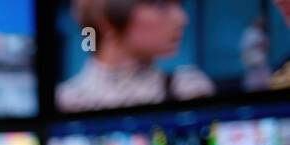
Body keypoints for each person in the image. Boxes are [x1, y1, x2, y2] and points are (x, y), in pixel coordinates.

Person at [57, 0, 215, 112]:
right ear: (107, 19)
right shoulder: (66, 101)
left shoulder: (189, 88)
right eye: (161, 5)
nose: (182, 19)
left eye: (178, 5)